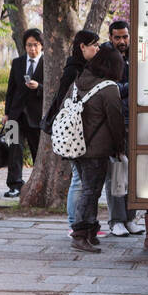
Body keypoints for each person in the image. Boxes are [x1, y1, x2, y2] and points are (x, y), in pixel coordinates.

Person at [70, 46, 127, 253]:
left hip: (75, 145)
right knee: (90, 191)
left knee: (88, 189)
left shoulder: (79, 82)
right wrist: (120, 146)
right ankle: (80, 233)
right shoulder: (109, 87)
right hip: (97, 148)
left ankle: (91, 230)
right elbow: (116, 120)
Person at [43, 30, 100, 233]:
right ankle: (74, 223)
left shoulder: (83, 67)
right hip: (73, 131)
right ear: (82, 46)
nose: (97, 48)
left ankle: (80, 222)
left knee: (81, 179)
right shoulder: (74, 69)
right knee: (78, 178)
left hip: (79, 131)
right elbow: (62, 100)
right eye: (94, 45)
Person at [101, 20, 141, 237]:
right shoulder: (106, 59)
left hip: (136, 121)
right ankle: (116, 219)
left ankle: (131, 217)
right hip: (115, 122)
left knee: (134, 172)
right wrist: (133, 87)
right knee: (116, 172)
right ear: (110, 37)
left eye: (125, 37)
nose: (122, 41)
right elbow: (110, 88)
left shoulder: (136, 56)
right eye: (117, 37)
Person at [4, 28, 46, 198]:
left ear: (41, 46)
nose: (32, 49)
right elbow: (10, 90)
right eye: (29, 45)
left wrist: (39, 87)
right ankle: (15, 185)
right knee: (14, 150)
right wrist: (7, 114)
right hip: (15, 116)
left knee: (37, 151)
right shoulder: (18, 63)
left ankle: (38, 185)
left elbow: (54, 91)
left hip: (36, 117)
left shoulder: (47, 64)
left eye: (35, 45)